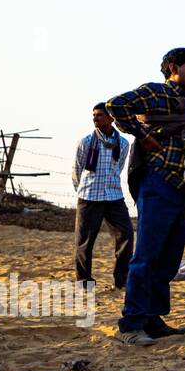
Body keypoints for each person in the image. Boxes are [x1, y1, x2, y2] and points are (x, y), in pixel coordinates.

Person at [106, 48, 185, 345]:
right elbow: (116, 106)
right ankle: (131, 323)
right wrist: (141, 133)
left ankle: (152, 318)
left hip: (184, 187)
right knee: (146, 256)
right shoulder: (155, 92)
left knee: (169, 258)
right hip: (158, 181)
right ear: (173, 68)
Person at [71, 102, 133, 289]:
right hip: (89, 197)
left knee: (127, 235)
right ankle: (84, 283)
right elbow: (77, 169)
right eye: (94, 115)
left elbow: (119, 167)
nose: (95, 118)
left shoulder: (122, 143)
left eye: (99, 115)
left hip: (114, 197)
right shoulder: (86, 142)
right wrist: (81, 191)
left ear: (111, 118)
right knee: (84, 243)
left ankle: (121, 280)